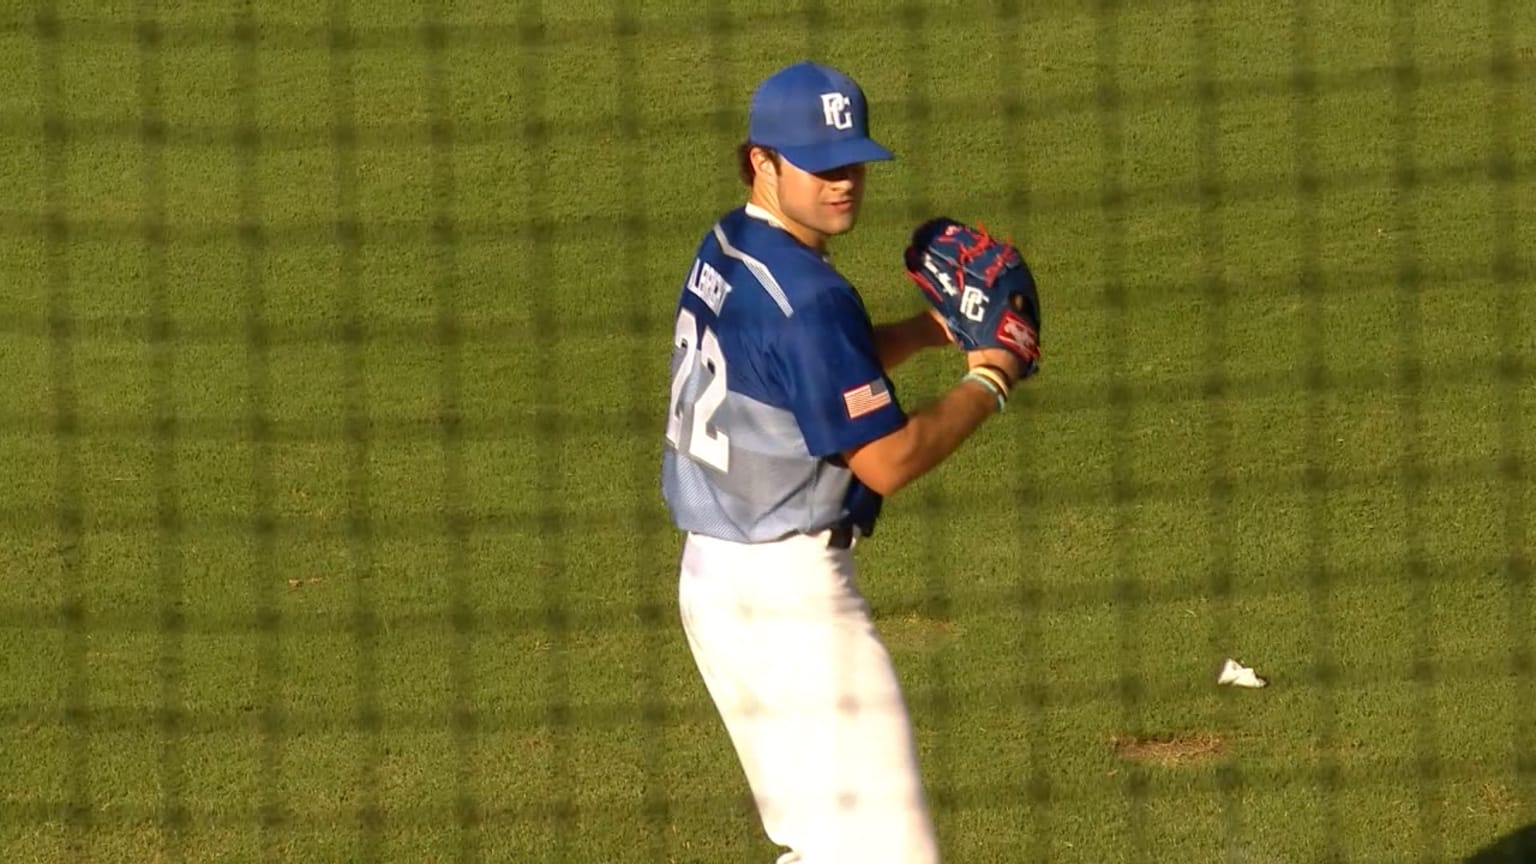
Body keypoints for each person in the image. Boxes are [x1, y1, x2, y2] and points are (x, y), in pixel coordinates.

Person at [660, 60, 1028, 864]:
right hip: (792, 608)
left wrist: (938, 329)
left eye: (853, 160)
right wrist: (990, 377)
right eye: (822, 166)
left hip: (714, 585)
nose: (844, 182)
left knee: (825, 845)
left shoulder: (729, 243)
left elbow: (810, 372)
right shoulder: (811, 297)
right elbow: (887, 461)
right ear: (761, 161)